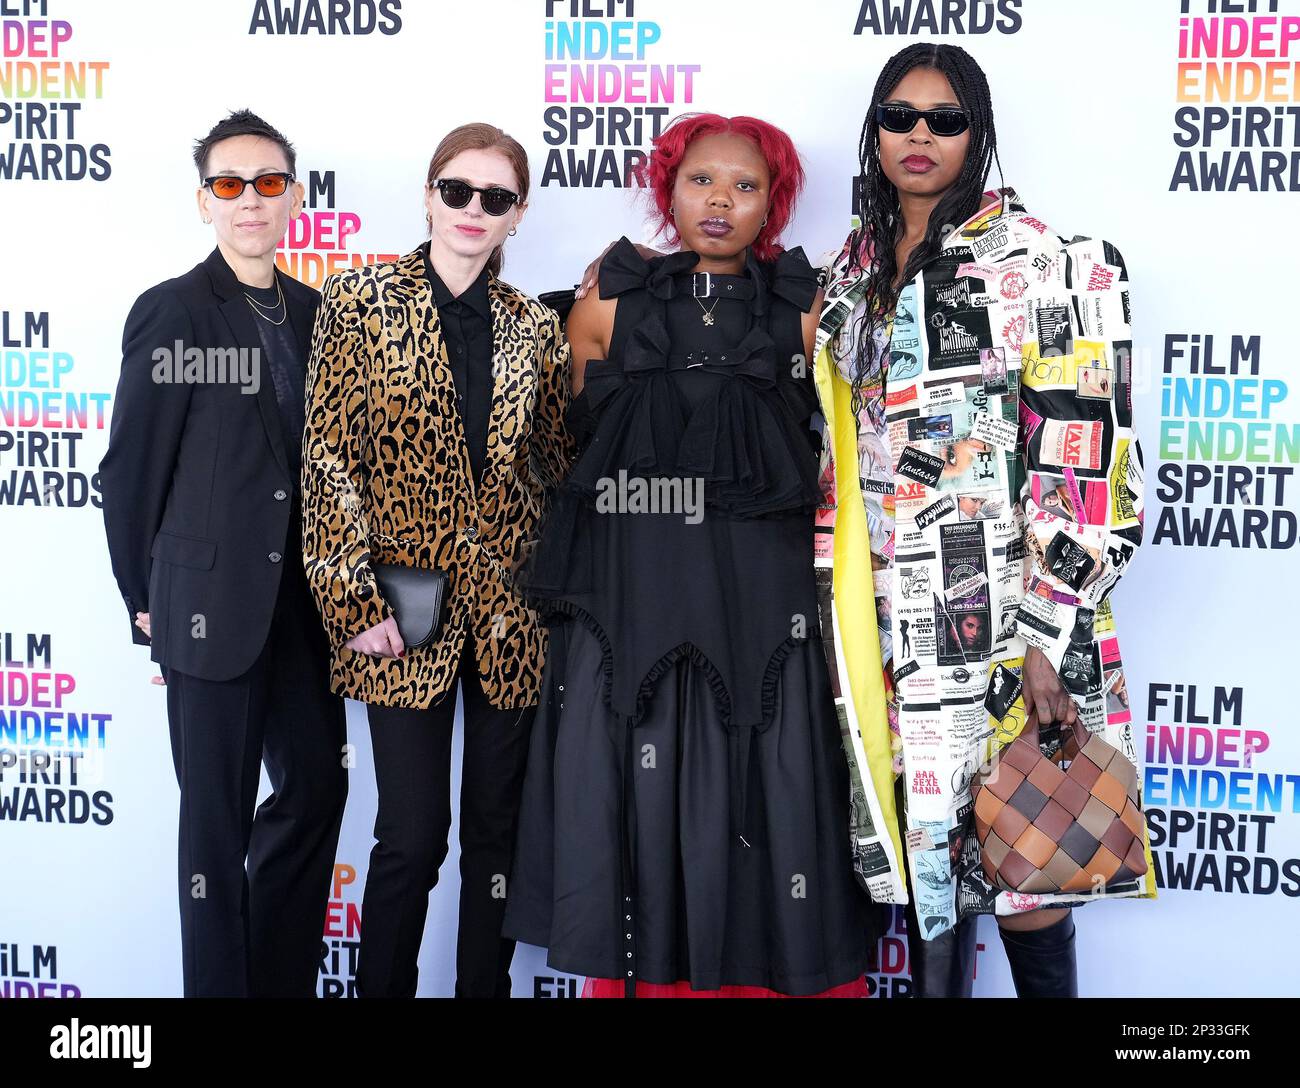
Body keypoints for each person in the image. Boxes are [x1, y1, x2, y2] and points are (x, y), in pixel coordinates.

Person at [503, 113, 884, 997]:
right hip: (630, 598)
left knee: (771, 785)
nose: (721, 200)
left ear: (773, 203)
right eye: (702, 180)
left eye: (746, 186)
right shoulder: (607, 300)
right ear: (669, 191)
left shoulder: (806, 311)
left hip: (762, 609)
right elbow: (561, 442)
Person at [812, 43, 1151, 997]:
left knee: (1029, 864)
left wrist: (1047, 634)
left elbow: (1092, 466)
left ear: (980, 132)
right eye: (899, 116)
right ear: (874, 131)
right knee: (931, 874)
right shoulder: (854, 271)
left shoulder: (1051, 261)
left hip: (1006, 621)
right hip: (883, 623)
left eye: (945, 119)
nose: (919, 135)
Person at [300, 122, 573, 998]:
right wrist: (350, 600)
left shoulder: (535, 325)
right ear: (428, 196)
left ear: (517, 215)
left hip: (509, 615)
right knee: (411, 837)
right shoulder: (359, 303)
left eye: (495, 198)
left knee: (495, 834)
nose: (472, 210)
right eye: (457, 190)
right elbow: (329, 460)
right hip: (395, 607)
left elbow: (553, 463)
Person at [99, 109, 347, 998]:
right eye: (231, 184)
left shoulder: (319, 313)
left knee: (316, 790)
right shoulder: (172, 310)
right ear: (206, 200)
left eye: (270, 182)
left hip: (303, 611)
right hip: (204, 605)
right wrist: (146, 596)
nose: (251, 200)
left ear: (294, 198)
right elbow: (131, 470)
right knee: (213, 830)